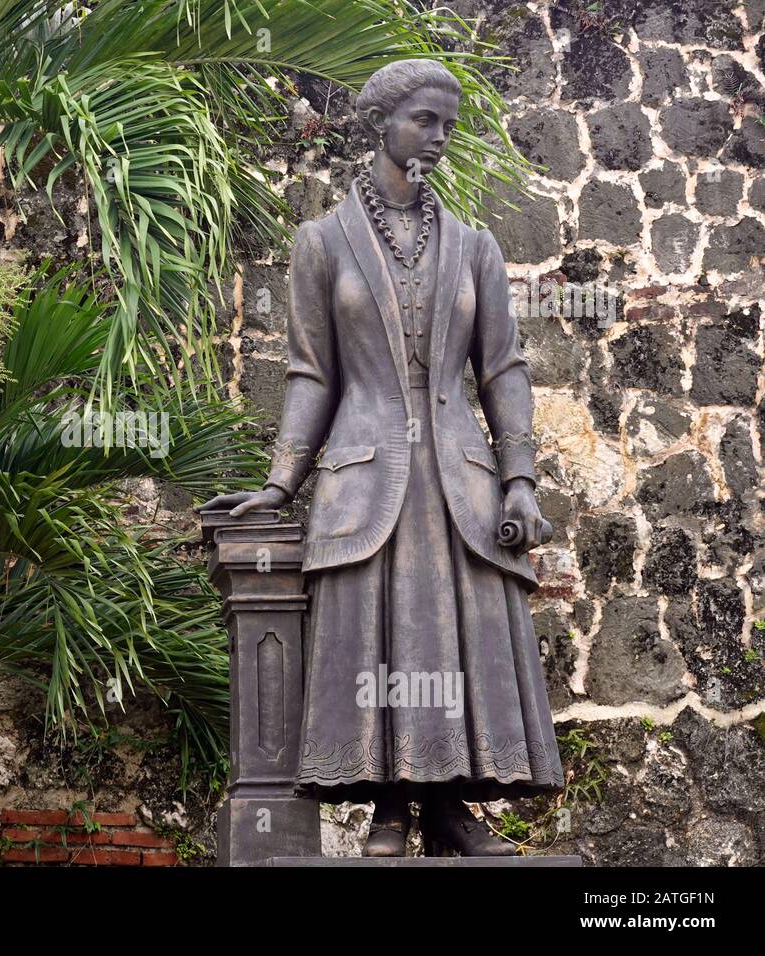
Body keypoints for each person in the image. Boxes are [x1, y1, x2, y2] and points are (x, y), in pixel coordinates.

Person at [198, 59, 563, 856]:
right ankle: (389, 808)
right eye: (424, 120)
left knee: (453, 636)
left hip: (460, 480)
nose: (438, 137)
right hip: (366, 478)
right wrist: (279, 483)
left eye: (448, 125)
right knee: (381, 640)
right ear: (379, 124)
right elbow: (311, 374)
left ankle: (451, 810)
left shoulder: (475, 246)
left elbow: (502, 370)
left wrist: (521, 481)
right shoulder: (321, 243)